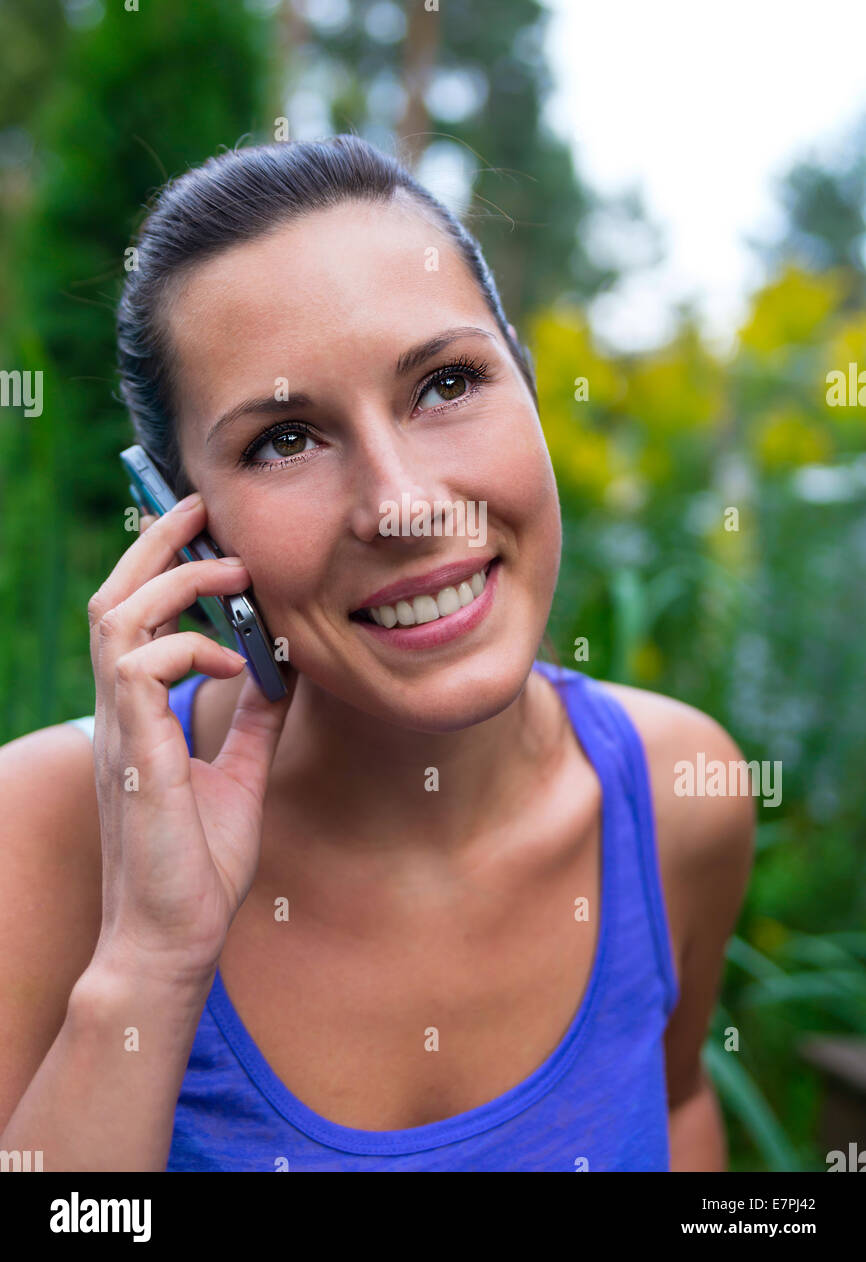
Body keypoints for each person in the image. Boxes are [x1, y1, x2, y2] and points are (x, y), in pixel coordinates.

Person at [0, 135, 754, 1171]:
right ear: (182, 523)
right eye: (284, 439)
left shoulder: (676, 792)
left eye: (445, 383)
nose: (401, 506)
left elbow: (675, 1110)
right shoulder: (44, 831)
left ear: (528, 389)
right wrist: (149, 960)